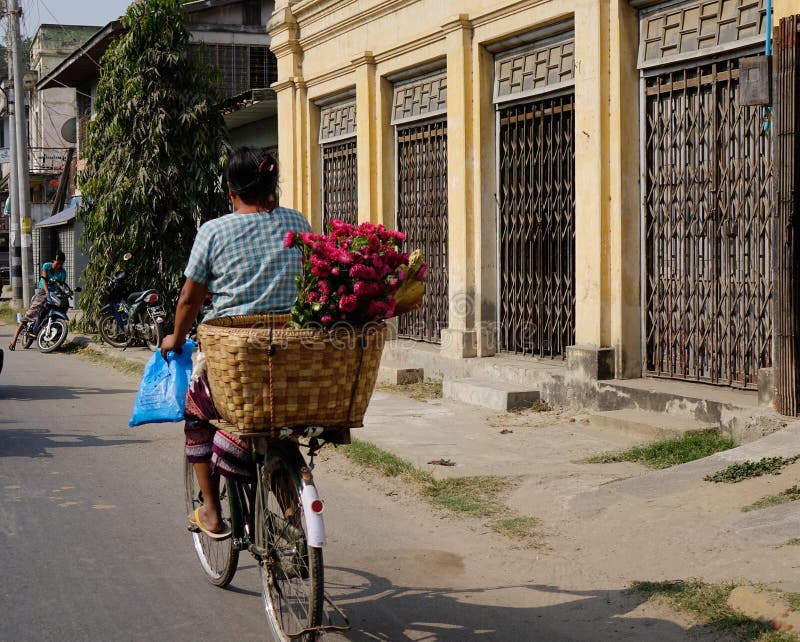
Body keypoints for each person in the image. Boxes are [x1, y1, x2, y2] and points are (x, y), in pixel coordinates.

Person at [160, 147, 311, 540]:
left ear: (231, 189)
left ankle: (210, 511)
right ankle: (292, 507)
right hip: (291, 355)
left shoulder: (213, 231)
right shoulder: (297, 222)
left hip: (236, 358)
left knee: (196, 415)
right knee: (278, 431)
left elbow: (190, 300)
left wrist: (175, 337)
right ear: (271, 185)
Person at [8, 251, 67, 350]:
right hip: (43, 292)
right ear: (53, 261)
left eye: (61, 263)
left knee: (61, 307)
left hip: (54, 294)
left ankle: (56, 339)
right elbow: (44, 280)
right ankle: (14, 339)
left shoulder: (63, 272)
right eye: (57, 263)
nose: (59, 265)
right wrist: (47, 292)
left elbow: (62, 285)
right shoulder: (47, 266)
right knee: (30, 314)